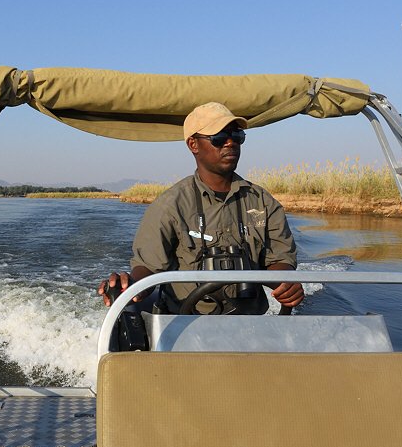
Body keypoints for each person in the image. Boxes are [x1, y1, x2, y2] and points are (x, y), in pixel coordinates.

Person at [98, 101, 304, 314]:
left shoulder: (263, 202)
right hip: (184, 325)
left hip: (250, 326)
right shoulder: (170, 204)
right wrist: (130, 285)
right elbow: (148, 267)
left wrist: (286, 285)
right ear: (193, 145)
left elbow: (280, 260)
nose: (230, 143)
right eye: (219, 137)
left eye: (238, 136)